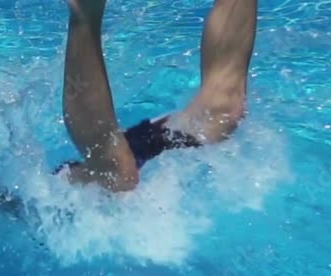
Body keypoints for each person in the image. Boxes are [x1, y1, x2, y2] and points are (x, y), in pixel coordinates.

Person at [60, 0, 258, 192]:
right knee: (118, 174)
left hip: (135, 172)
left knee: (224, 110)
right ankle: (85, 13)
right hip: (93, 185)